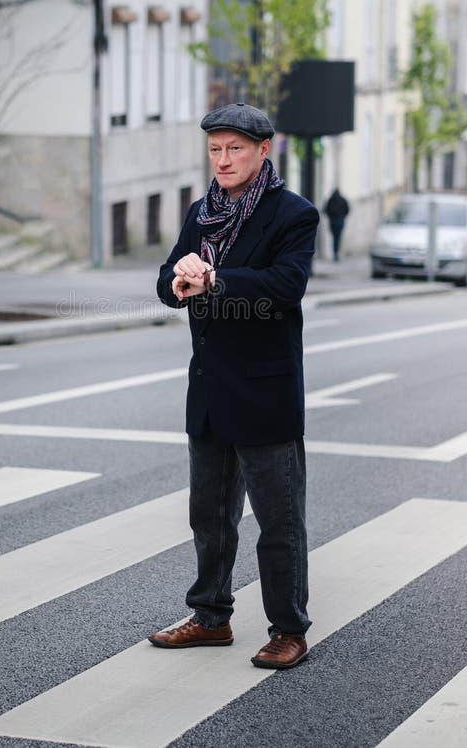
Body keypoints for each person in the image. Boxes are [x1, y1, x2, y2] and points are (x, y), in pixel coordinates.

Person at [149, 102, 319, 670]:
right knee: (210, 517)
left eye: (235, 150)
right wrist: (179, 280)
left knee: (279, 522)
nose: (222, 160)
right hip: (211, 392)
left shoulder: (292, 215)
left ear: (262, 150)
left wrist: (216, 278)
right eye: (215, 150)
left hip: (265, 396)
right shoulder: (203, 212)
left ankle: (289, 629)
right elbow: (167, 280)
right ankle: (210, 618)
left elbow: (282, 287)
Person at [323, 188, 350, 262]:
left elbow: (325, 210)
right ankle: (336, 253)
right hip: (340, 221)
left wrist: (331, 216)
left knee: (334, 238)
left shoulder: (330, 200)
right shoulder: (343, 200)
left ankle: (335, 253)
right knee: (338, 237)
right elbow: (347, 210)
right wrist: (342, 216)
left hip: (333, 221)